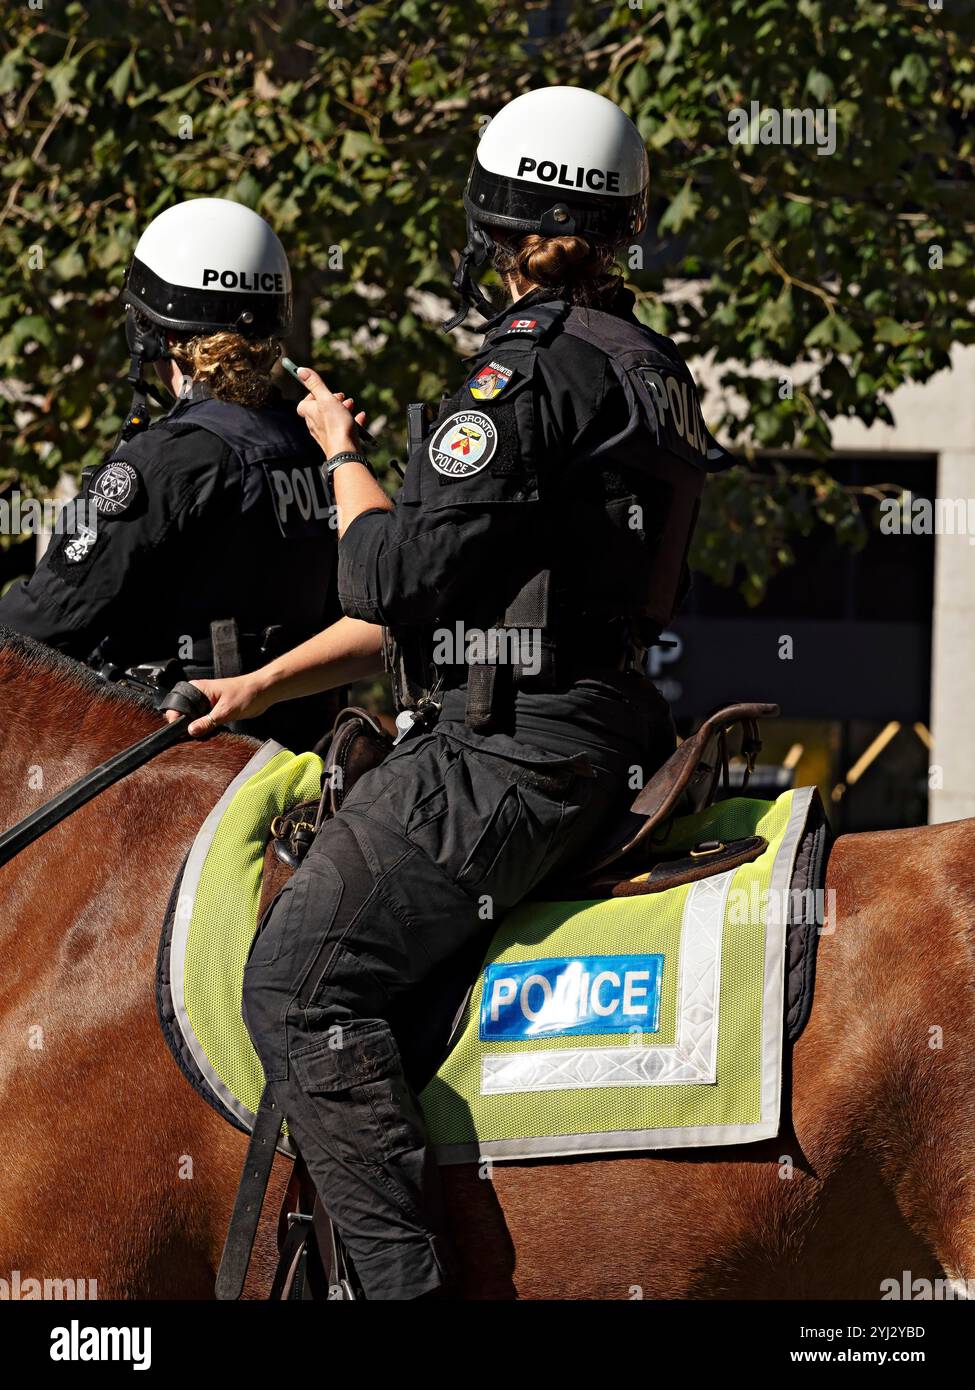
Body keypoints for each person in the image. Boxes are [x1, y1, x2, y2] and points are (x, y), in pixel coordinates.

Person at [171, 86, 730, 1299]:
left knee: (296, 978)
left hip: (508, 755)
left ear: (509, 225)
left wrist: (341, 448)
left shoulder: (520, 377)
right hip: (608, 726)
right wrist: (256, 684)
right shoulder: (652, 365)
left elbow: (385, 575)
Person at [0, 197, 349, 750]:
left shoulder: (168, 460)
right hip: (309, 754)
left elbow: (36, 628)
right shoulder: (324, 441)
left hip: (179, 767)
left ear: (152, 334)